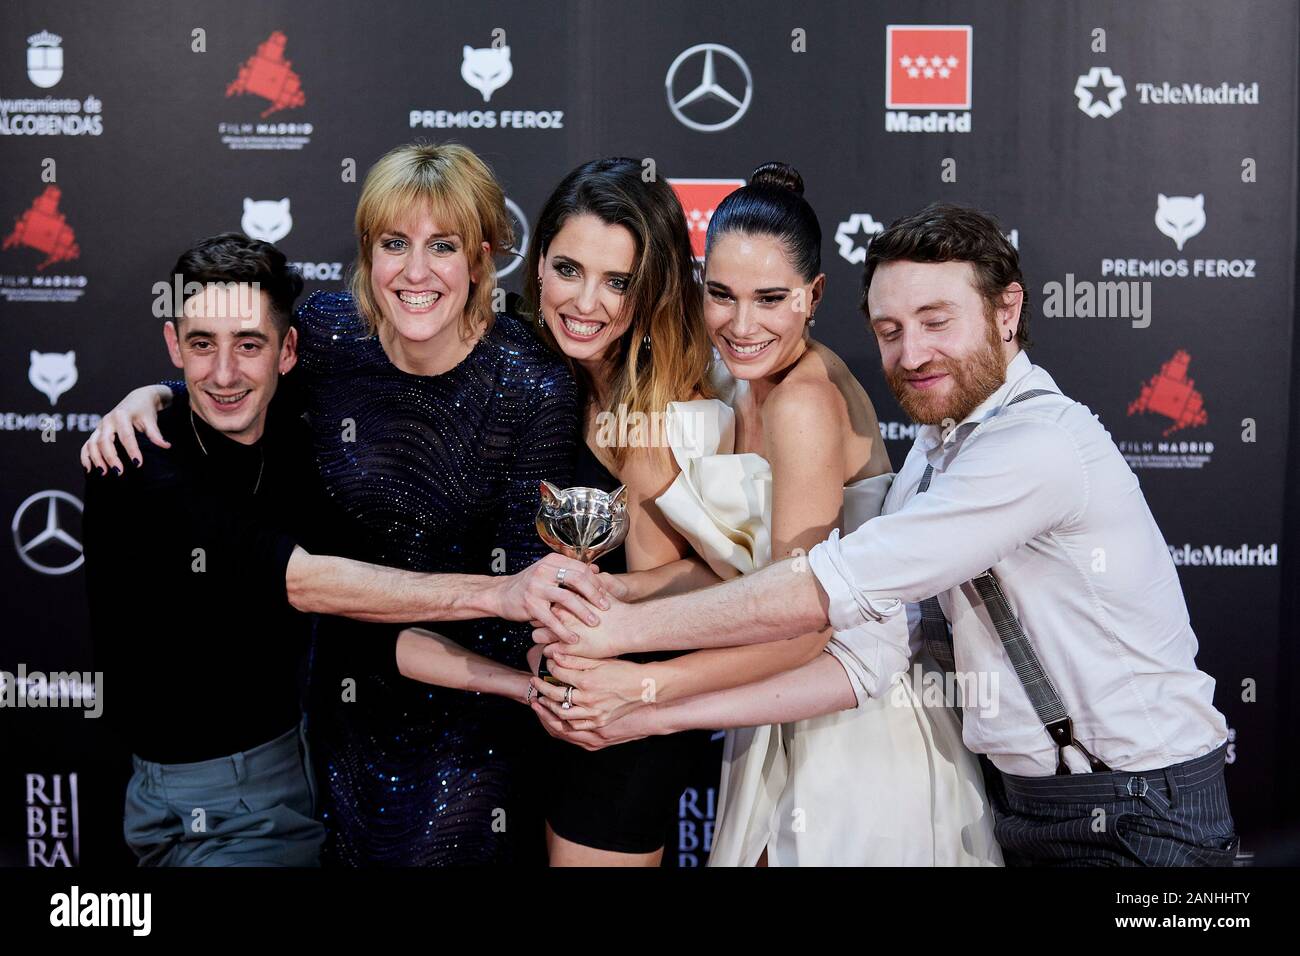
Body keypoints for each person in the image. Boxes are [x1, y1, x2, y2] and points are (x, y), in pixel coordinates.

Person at [535, 202, 1238, 867]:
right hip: (1032, 808)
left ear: (1007, 311)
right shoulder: (936, 456)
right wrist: (650, 712)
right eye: (890, 330)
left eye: (937, 321)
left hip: (1140, 815)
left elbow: (817, 594)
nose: (912, 353)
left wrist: (620, 645)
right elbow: (866, 653)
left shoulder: (1036, 446)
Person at [80, 143, 606, 866]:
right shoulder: (330, 337)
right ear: (368, 253)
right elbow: (235, 380)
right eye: (395, 244)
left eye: (442, 246)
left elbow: (521, 603)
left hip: (471, 714)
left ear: (482, 258)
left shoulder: (532, 384)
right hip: (336, 714)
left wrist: (519, 678)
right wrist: (156, 398)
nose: (415, 272)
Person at [531, 167, 1001, 866]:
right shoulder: (734, 379)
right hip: (767, 704)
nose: (742, 324)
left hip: (849, 726)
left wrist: (640, 688)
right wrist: (608, 597)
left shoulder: (803, 404)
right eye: (720, 295)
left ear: (813, 296)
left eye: (770, 299)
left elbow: (802, 620)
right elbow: (738, 578)